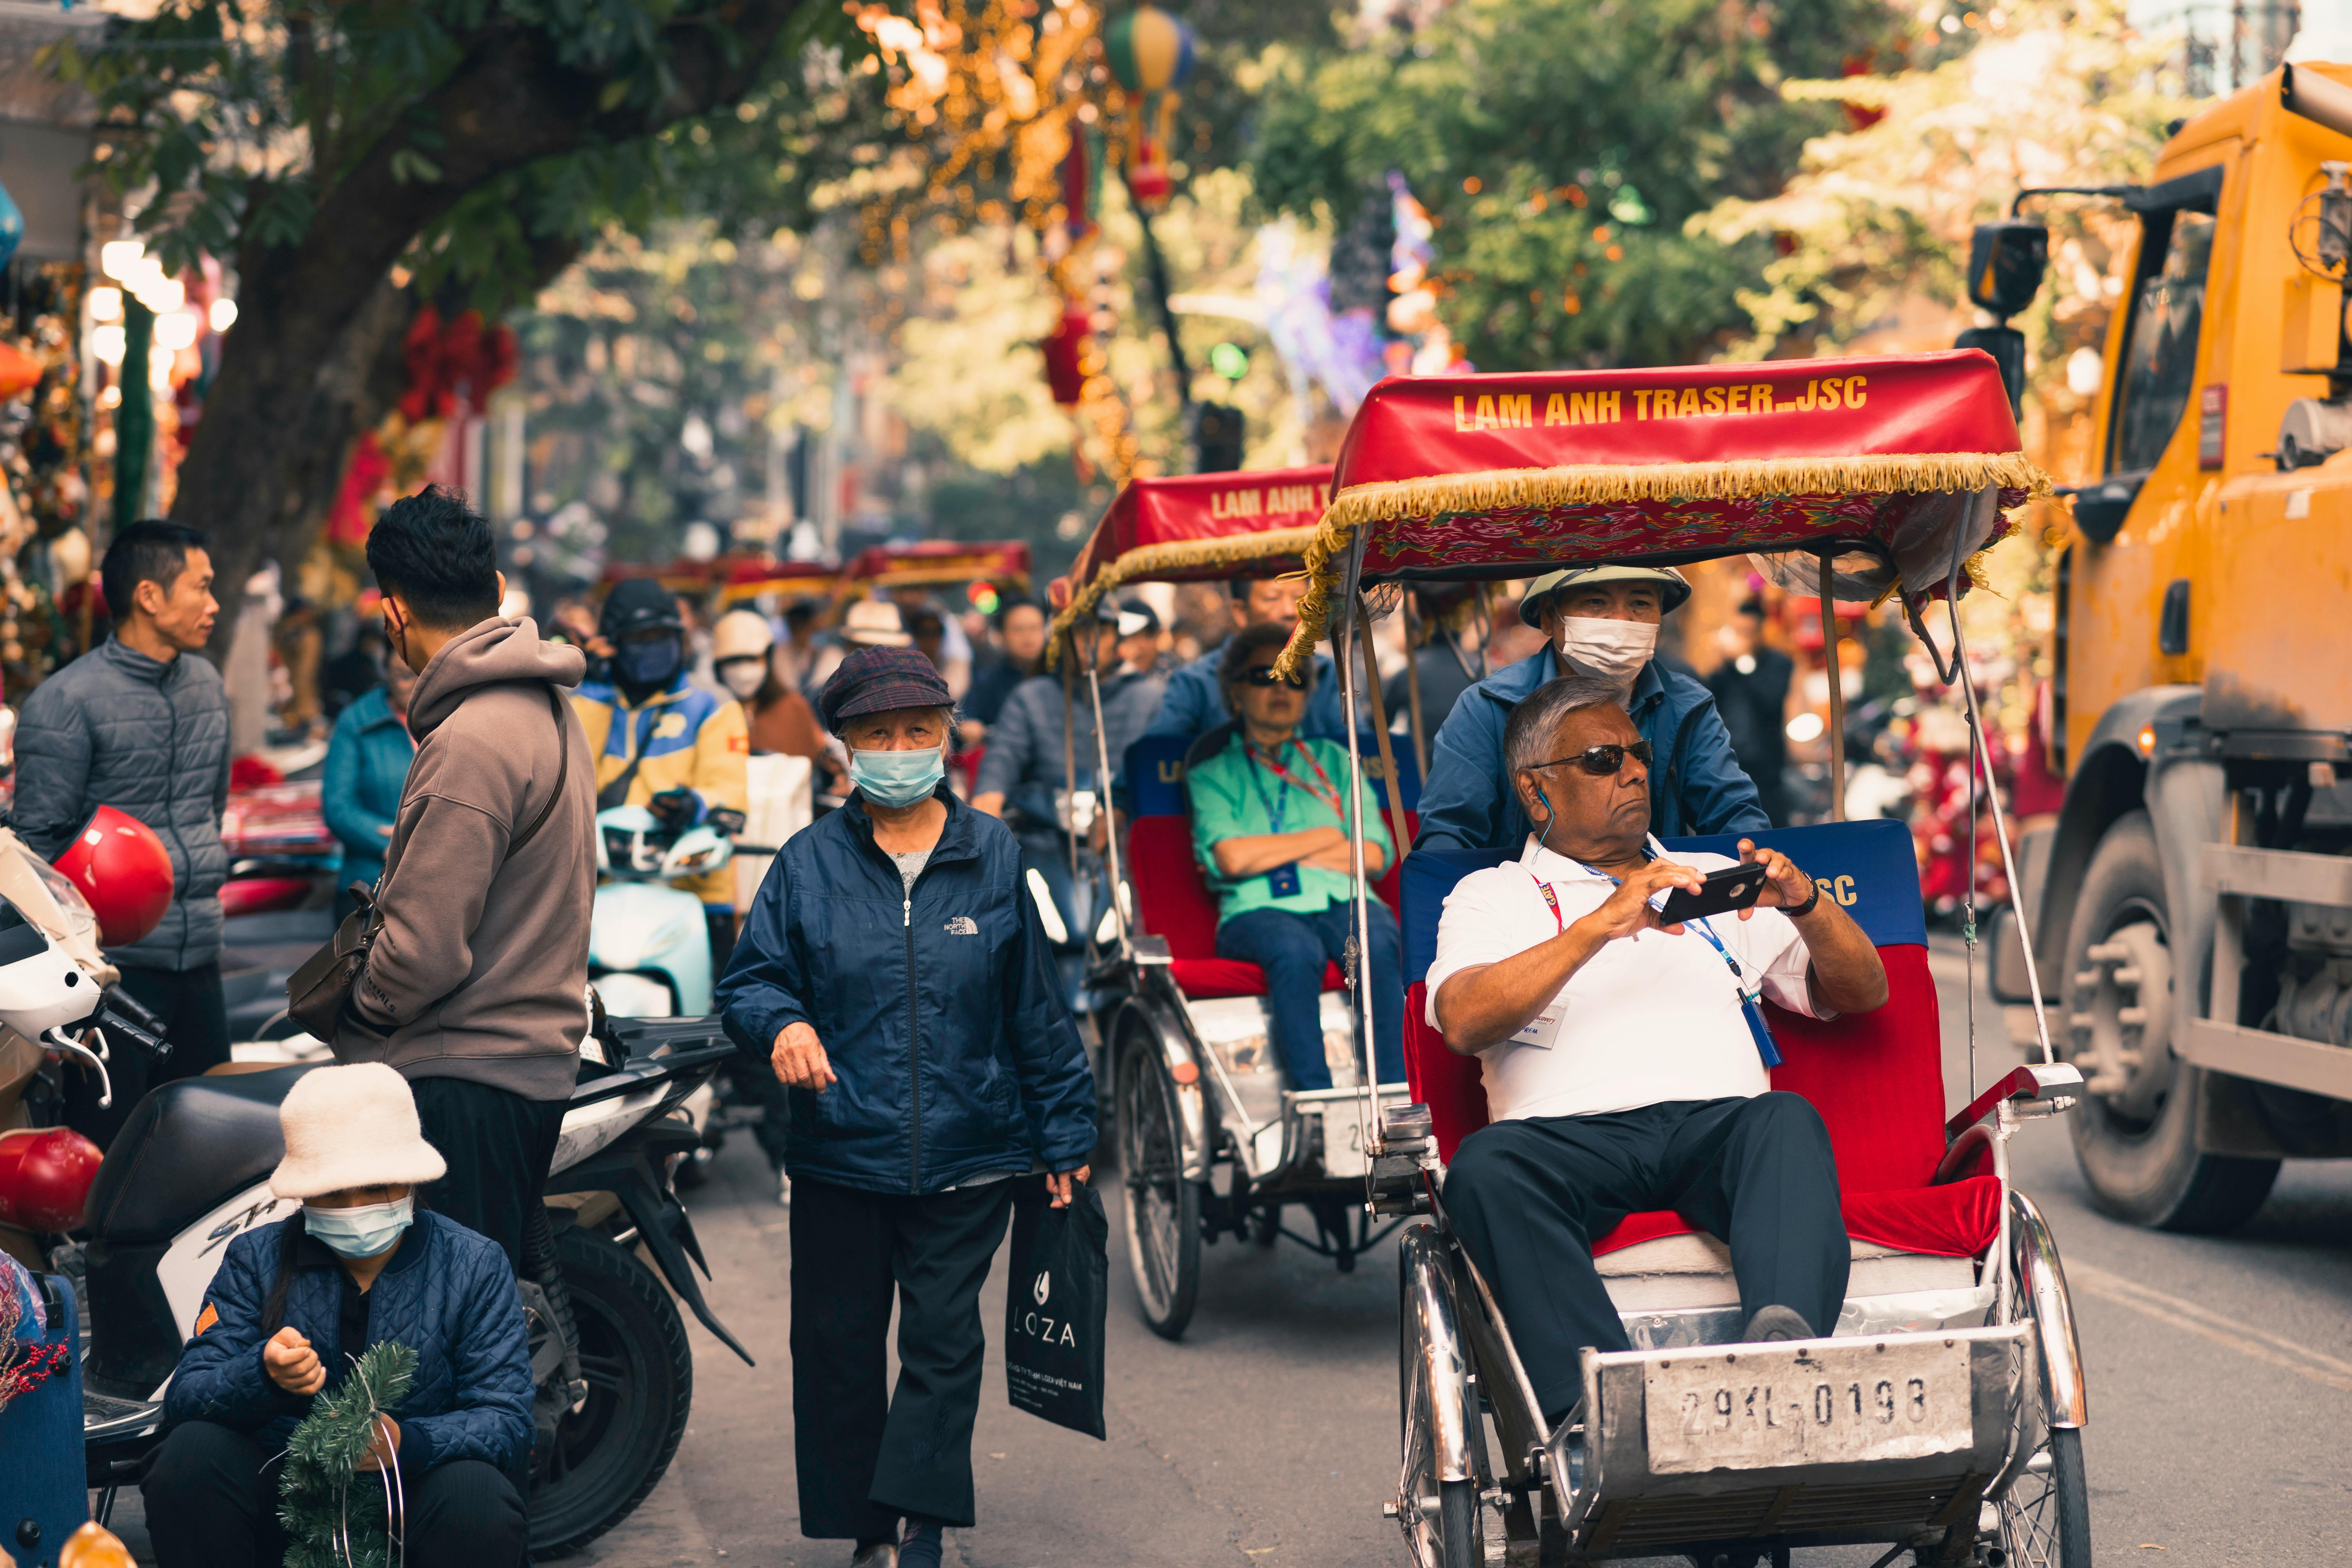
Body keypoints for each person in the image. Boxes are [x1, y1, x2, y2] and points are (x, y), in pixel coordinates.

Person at [716, 646, 1095, 1568]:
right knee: (839, 1348)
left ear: (947, 739)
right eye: (878, 733)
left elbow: (1035, 1008)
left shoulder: (993, 852)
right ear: (845, 746)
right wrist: (784, 1025)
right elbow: (751, 982)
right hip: (843, 1150)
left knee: (941, 1342)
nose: (899, 748)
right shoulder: (806, 863)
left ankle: (918, 1522)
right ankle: (867, 1528)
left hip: (971, 1149)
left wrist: (1065, 1133)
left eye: (917, 730)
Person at [1426, 675, 1888, 1425]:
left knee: (1784, 1119)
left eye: (1638, 753)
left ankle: (1782, 1365)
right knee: (1484, 1168)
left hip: (1714, 1127)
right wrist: (1601, 924)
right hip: (1562, 1141)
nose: (1636, 770)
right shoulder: (1492, 895)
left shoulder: (1709, 877)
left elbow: (1863, 992)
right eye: (1603, 760)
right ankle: (1604, 1414)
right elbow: (1464, 1021)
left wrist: (1807, 904)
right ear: (1536, 793)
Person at [335, 485, 596, 1274]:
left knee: (448, 1348)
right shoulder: (545, 707)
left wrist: (360, 1000)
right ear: (494, 593)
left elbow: (422, 953)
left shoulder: (473, 740)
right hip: (523, 1062)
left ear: (397, 613)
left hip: (466, 1074)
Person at [141, 1063, 534, 1568]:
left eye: (375, 1188)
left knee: (478, 1496)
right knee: (188, 1457)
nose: (355, 1207)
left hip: (411, 1501)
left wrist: (407, 1442)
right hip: (287, 1499)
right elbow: (186, 1397)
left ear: (411, 1179)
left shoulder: (474, 1264)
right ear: (304, 1193)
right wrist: (263, 1374)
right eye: (332, 1194)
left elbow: (506, 1418)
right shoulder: (255, 1258)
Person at [15, 519, 230, 1147]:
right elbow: (34, 852)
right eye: (202, 587)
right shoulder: (66, 703)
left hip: (202, 957)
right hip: (116, 977)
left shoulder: (209, 686)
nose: (214, 605)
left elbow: (209, 809)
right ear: (150, 596)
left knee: (206, 1147)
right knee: (113, 1151)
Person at [1416, 564, 1769, 853]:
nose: (1622, 621)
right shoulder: (1489, 708)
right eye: (1597, 603)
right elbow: (1450, 837)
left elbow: (1734, 816)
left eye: (1640, 604)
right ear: (1549, 618)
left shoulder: (1686, 705)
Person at [1187, 622, 1404, 1090]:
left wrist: (1271, 851)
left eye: (1294, 678)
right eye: (1264, 677)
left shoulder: (1335, 760)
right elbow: (1232, 860)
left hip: (1340, 899)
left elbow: (1371, 855)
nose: (1280, 688)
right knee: (1293, 949)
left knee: (1380, 938)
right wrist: (1327, 835)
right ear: (1236, 692)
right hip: (1258, 911)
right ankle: (1316, 1100)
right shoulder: (1213, 772)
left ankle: (1395, 1091)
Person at [971, 601, 1165, 959]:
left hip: (1123, 846)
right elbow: (1000, 762)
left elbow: (1159, 769)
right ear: (1060, 639)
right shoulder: (1031, 698)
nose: (1088, 641)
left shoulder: (1149, 698)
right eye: (1077, 632)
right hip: (1046, 842)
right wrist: (987, 810)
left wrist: (1120, 812)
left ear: (1115, 637)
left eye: (1101, 630)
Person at [572, 578, 751, 962]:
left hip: (695, 890)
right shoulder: (585, 701)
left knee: (712, 1016)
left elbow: (730, 790)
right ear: (612, 644)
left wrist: (693, 805)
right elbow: (569, 775)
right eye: (640, 638)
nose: (652, 647)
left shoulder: (713, 705)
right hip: (601, 888)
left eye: (662, 635)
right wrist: (588, 682)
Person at [1146, 573, 1348, 740]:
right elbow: (1158, 759)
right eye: (1273, 598)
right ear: (1241, 612)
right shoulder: (1196, 682)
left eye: (1300, 598)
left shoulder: (1327, 674)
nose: (1290, 611)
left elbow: (1357, 750)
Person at [320, 654, 418, 923]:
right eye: (405, 675)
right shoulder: (357, 721)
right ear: (385, 672)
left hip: (435, 884)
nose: (417, 685)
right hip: (370, 886)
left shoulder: (453, 718)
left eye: (425, 672)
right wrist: (391, 844)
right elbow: (338, 806)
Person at [1705, 596, 1795, 828]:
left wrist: (1743, 662)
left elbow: (1770, 701)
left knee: (1773, 823)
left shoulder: (1779, 663)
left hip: (1766, 762)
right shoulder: (1726, 666)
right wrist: (1720, 661)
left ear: (1760, 631)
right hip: (1729, 757)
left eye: (1748, 632)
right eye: (1738, 631)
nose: (1742, 638)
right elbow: (1709, 695)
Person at [713, 607, 830, 763]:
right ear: (719, 665)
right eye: (734, 661)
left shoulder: (793, 708)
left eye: (752, 659)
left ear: (767, 658)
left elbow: (821, 760)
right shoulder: (710, 712)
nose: (743, 671)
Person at [959, 597, 1047, 739]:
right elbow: (965, 719)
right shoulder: (988, 680)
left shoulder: (1059, 675)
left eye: (1035, 628)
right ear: (1001, 635)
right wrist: (970, 728)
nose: (1029, 637)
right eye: (1019, 630)